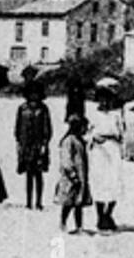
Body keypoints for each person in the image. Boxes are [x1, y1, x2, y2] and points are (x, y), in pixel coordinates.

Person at [89, 89, 124, 230]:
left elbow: (121, 134)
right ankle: (100, 216)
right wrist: (94, 137)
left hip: (113, 149)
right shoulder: (93, 114)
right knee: (99, 182)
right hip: (99, 151)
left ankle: (108, 214)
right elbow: (87, 132)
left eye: (107, 100)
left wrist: (116, 138)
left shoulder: (115, 115)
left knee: (114, 182)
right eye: (102, 99)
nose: (104, 102)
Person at [14, 80, 52, 210]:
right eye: (31, 93)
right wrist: (19, 143)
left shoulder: (43, 109)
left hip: (39, 144)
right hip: (26, 145)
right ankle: (29, 202)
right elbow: (18, 127)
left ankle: (39, 202)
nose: (34, 96)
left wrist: (45, 144)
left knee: (39, 174)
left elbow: (47, 127)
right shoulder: (22, 108)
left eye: (36, 93)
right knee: (28, 174)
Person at [54, 114, 91, 232]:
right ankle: (63, 222)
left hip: (81, 176)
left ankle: (79, 226)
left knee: (79, 203)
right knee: (69, 202)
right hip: (71, 177)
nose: (86, 129)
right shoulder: (68, 141)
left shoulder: (81, 141)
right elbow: (66, 160)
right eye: (84, 127)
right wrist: (72, 174)